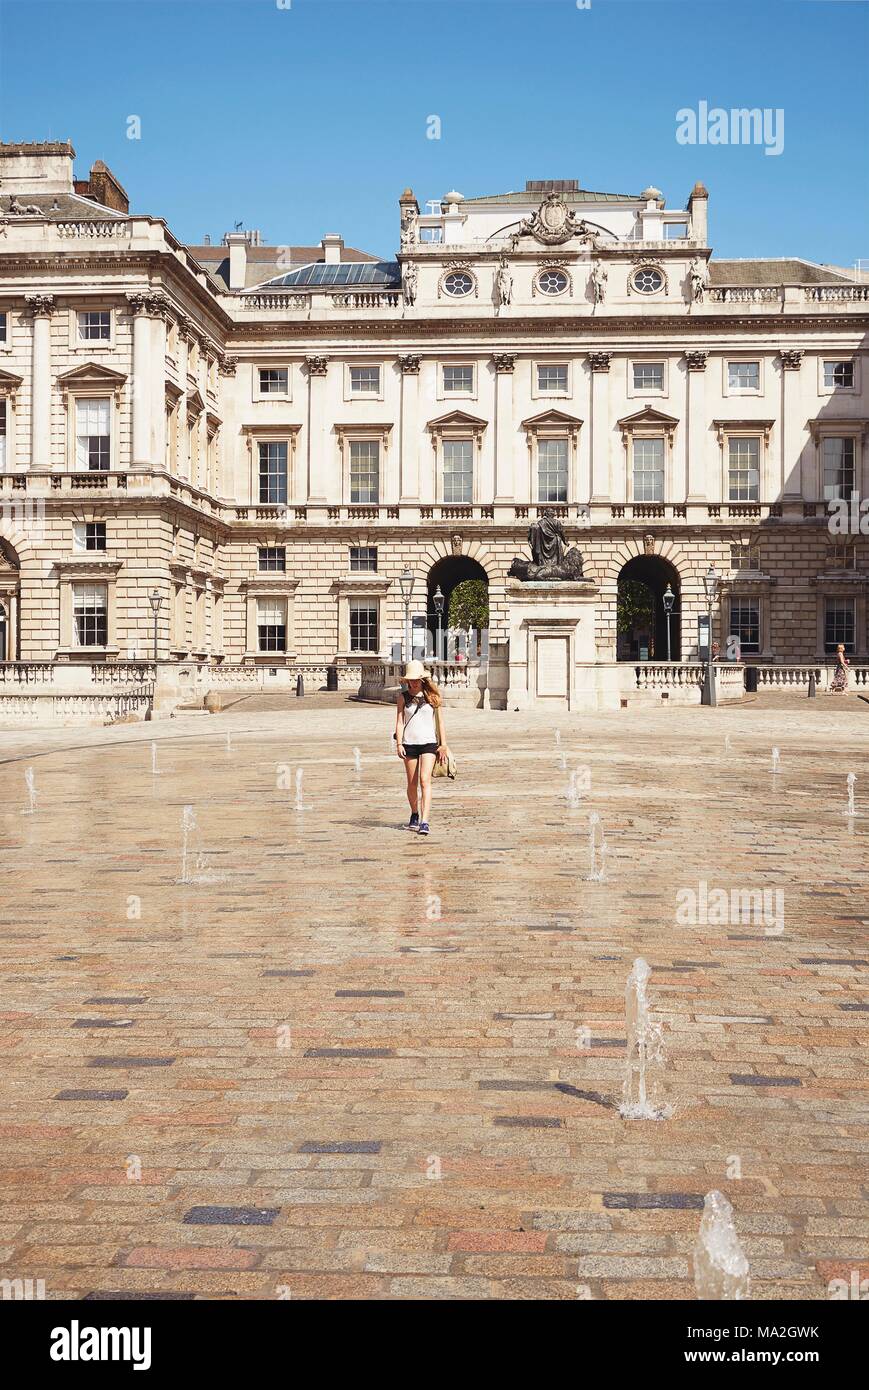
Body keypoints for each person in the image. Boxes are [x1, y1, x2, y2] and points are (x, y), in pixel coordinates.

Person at [394, 660, 449, 836]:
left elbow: (440, 722)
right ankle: (414, 813)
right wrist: (399, 743)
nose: (414, 682)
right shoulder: (402, 697)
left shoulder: (432, 696)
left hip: (428, 743)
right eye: (411, 679)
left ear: (422, 679)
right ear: (407, 681)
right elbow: (400, 721)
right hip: (409, 743)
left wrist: (443, 745)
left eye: (417, 679)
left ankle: (425, 821)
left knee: (425, 780)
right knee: (412, 783)